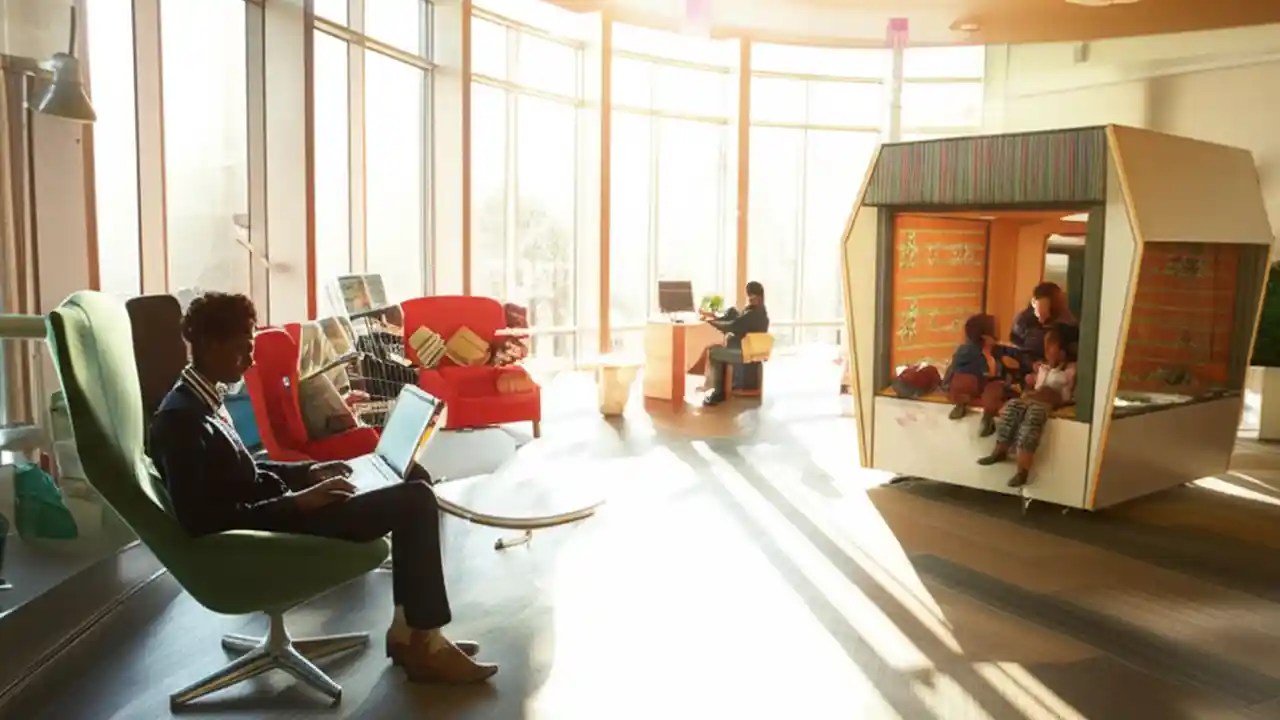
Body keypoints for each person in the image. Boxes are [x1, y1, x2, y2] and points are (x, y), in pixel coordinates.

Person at [149, 292, 496, 685]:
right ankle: (427, 643)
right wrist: (298, 503)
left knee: (413, 477)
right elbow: (204, 520)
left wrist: (310, 472)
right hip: (270, 531)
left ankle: (408, 632)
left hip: (280, 510)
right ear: (211, 345)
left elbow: (243, 471)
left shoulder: (202, 398)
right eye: (243, 349)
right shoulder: (179, 421)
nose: (251, 360)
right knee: (415, 500)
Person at [976, 326, 1078, 488]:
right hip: (1034, 397)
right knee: (1013, 407)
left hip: (1051, 401)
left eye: (1051, 347)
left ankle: (1022, 469)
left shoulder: (1071, 369)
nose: (1047, 352)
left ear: (1063, 351)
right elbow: (1034, 386)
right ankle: (1000, 450)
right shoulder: (1043, 368)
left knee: (1032, 420)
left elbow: (1067, 392)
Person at [942, 314, 1019, 436]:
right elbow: (986, 373)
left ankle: (970, 406)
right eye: (995, 328)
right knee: (994, 388)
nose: (999, 330)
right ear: (985, 336)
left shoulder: (996, 350)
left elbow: (1016, 354)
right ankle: (986, 416)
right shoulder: (970, 351)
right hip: (970, 384)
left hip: (969, 389)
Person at [701, 281, 770, 406]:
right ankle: (714, 386)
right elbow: (737, 320)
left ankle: (718, 392)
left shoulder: (753, 314)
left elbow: (731, 326)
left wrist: (710, 322)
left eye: (751, 297)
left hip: (745, 352)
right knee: (732, 311)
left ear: (757, 296)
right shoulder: (760, 311)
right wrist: (715, 318)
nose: (750, 300)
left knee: (714, 352)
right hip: (747, 348)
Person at [1010, 282, 1078, 366]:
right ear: (1033, 302)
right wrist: (1031, 364)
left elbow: (1073, 353)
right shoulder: (1023, 319)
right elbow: (1015, 346)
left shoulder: (1068, 325)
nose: (1041, 321)